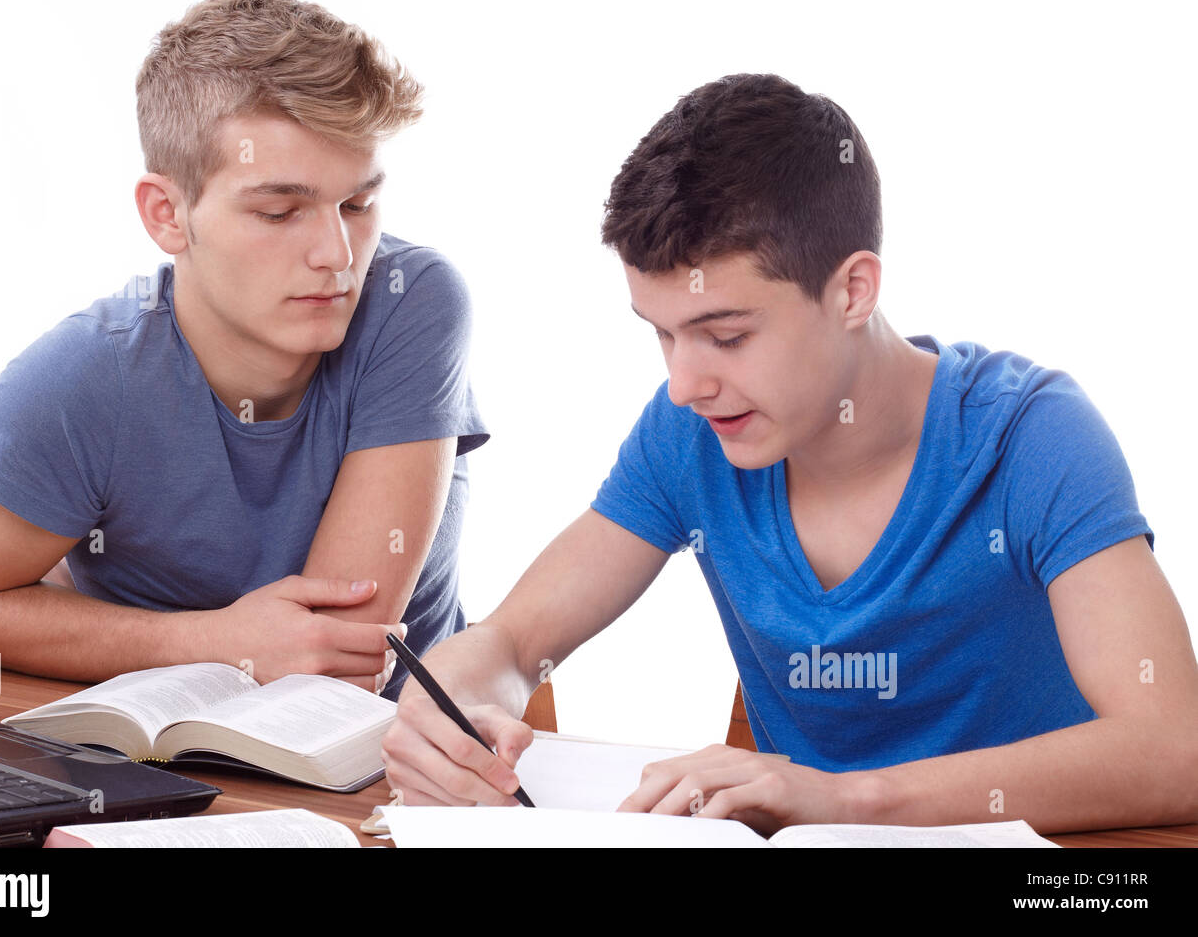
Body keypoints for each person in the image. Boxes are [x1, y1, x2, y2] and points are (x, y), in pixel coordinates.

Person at [379, 73, 1198, 834]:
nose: (684, 384)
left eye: (727, 335)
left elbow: (1173, 749)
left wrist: (848, 798)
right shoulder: (696, 432)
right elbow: (513, 644)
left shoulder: (1032, 437)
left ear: (853, 290)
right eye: (663, 335)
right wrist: (443, 711)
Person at [0, 0, 489, 701]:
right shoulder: (74, 381)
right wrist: (213, 641)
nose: (338, 255)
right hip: (155, 749)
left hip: (391, 749)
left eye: (358, 204)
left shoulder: (413, 302)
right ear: (167, 214)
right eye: (279, 211)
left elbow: (327, 656)